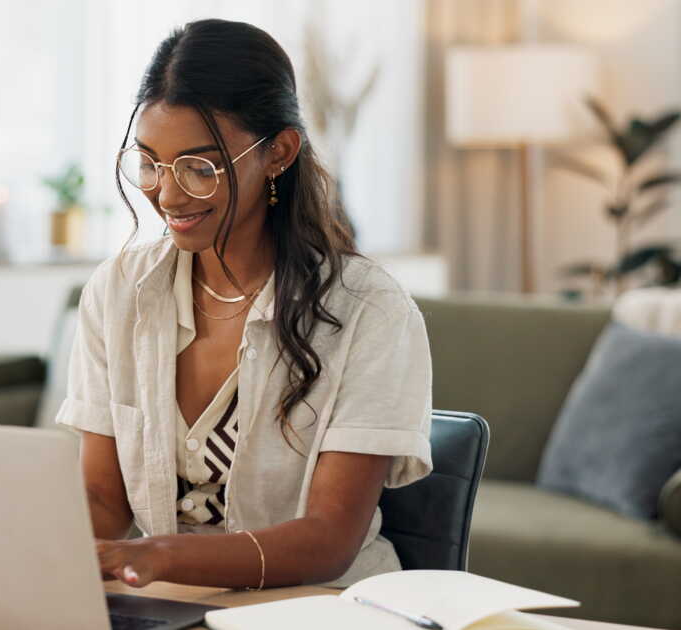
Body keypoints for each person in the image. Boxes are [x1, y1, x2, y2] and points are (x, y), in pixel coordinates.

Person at [55, 18, 432, 591]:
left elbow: (329, 540)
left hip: (319, 606)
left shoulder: (370, 308)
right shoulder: (118, 290)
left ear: (278, 152)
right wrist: (24, 542)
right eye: (150, 163)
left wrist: (162, 556)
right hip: (168, 599)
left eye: (199, 167)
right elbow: (103, 500)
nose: (167, 193)